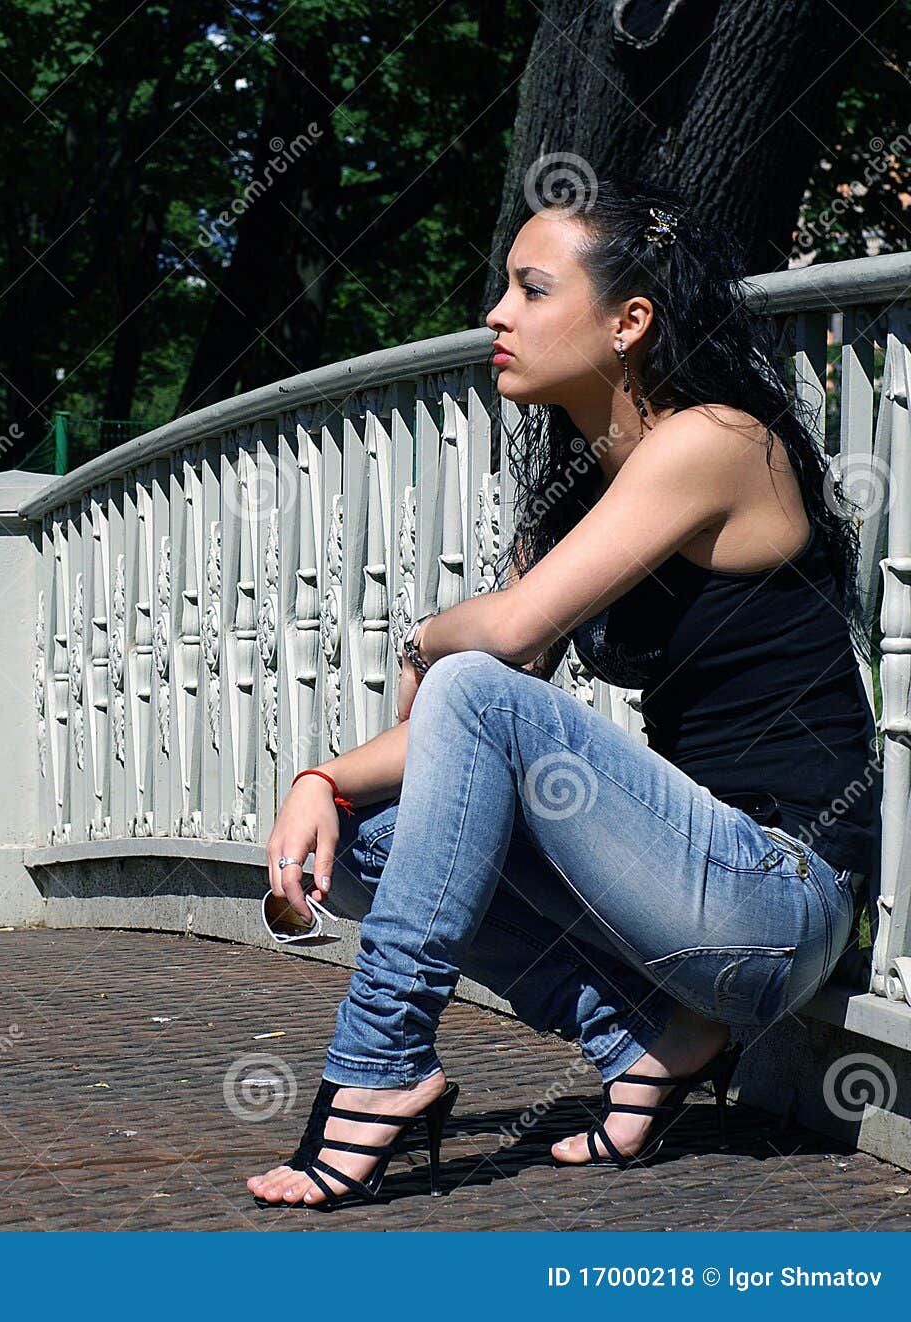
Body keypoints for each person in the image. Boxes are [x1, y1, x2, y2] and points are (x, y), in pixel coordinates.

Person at [247, 173, 881, 1211]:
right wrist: (320, 779)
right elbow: (464, 732)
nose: (495, 314)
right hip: (689, 906)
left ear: (629, 320)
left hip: (779, 892)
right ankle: (643, 1040)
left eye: (530, 290)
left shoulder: (713, 439)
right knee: (361, 840)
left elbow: (498, 648)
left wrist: (421, 640)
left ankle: (381, 1061)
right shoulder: (579, 496)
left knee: (471, 679)